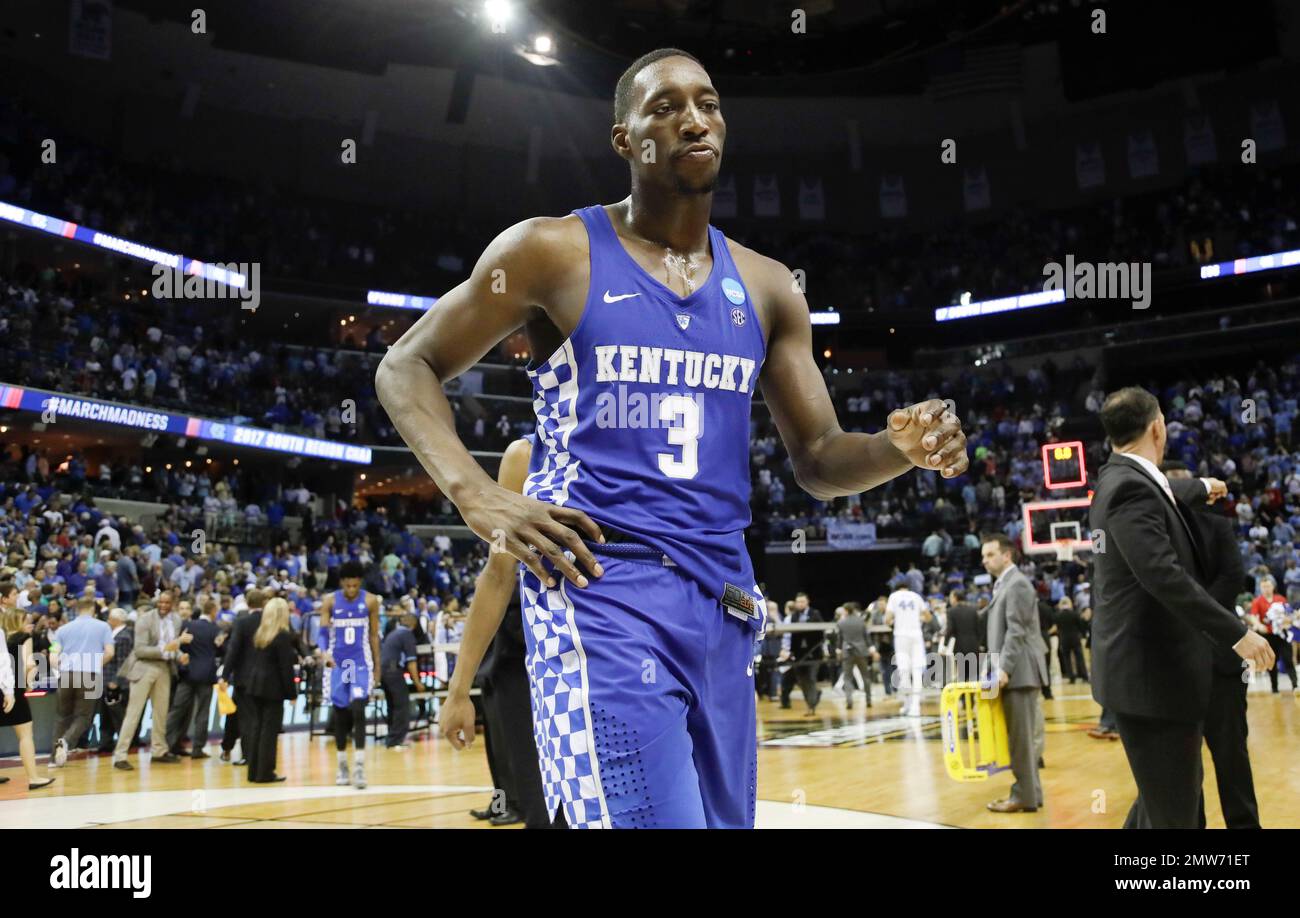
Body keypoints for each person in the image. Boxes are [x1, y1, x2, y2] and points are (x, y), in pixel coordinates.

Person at [374, 48, 968, 828]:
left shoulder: (767, 286)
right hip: (598, 587)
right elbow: (406, 364)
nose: (693, 118)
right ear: (625, 140)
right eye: (664, 107)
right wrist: (477, 494)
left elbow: (819, 461)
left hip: (721, 597)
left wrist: (898, 450)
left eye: (708, 103)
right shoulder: (549, 252)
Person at [1090, 387, 1272, 828]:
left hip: (1146, 676)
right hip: (1152, 679)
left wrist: (1201, 485)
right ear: (1158, 427)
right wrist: (1238, 633)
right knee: (1175, 815)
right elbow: (1162, 576)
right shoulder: (1130, 490)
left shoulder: (1119, 479)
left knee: (1159, 806)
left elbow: (1162, 487)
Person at [441, 436, 553, 828]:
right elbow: (498, 573)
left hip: (622, 658)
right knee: (546, 813)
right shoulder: (525, 456)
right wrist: (457, 691)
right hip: (535, 660)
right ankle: (506, 802)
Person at [1162, 462, 1261, 829]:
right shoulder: (1155, 534)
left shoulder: (1219, 526)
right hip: (1174, 668)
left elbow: (1234, 577)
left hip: (1220, 663)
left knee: (1233, 758)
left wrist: (1195, 614)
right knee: (1184, 769)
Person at [980, 534, 1048, 813]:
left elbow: (1016, 630)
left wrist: (1004, 668)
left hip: (1019, 671)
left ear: (1006, 555)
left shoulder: (1017, 583)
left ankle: (1023, 796)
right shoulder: (1005, 584)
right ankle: (1033, 793)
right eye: (983, 556)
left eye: (990, 555)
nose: (984, 561)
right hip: (1018, 671)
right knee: (1022, 740)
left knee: (1019, 741)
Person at [316, 561, 380, 789]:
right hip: (338, 665)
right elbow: (323, 632)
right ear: (342, 583)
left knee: (359, 709)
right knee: (340, 713)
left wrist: (377, 668)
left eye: (355, 585)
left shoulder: (371, 600)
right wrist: (324, 653)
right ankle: (342, 764)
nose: (352, 590)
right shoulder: (330, 601)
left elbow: (374, 636)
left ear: (360, 583)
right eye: (348, 585)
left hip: (361, 663)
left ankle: (360, 766)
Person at [112, 596, 192, 769]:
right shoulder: (144, 620)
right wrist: (168, 647)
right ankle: (120, 755)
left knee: (161, 713)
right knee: (133, 714)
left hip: (164, 668)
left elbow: (173, 647)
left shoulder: (176, 620)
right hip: (143, 667)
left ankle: (159, 751)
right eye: (160, 602)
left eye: (167, 602)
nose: (163, 605)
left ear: (173, 604)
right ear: (156, 604)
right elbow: (140, 650)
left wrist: (180, 656)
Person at [49, 598, 114, 767]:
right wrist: (94, 665)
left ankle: (53, 759)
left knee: (61, 717)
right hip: (89, 674)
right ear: (93, 609)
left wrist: (61, 667)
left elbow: (52, 655)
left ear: (77, 609)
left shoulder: (62, 629)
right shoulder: (103, 627)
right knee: (84, 716)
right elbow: (109, 653)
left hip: (66, 675)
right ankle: (66, 741)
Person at [0, 598, 56, 789]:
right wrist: (29, 683)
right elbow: (29, 663)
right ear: (18, 622)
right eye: (27, 621)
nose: (30, 624)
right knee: (25, 735)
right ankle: (33, 778)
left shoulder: (3, 638)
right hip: (13, 688)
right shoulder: (25, 639)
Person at [243, 597, 298, 783]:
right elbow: (285, 667)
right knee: (269, 731)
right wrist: (292, 693)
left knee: (257, 728)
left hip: (255, 686)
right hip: (272, 688)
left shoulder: (261, 633)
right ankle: (266, 772)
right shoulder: (282, 635)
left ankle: (254, 772)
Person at [218, 589, 268, 766]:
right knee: (262, 719)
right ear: (263, 603)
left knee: (246, 720)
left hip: (244, 679)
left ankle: (248, 755)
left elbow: (233, 651)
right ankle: (261, 756)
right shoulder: (270, 622)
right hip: (266, 678)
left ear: (247, 603)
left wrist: (225, 675)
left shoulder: (241, 622)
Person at [166, 598, 220, 758]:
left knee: (176, 711)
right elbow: (222, 649)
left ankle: (165, 745)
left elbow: (179, 647)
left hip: (187, 674)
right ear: (213, 612)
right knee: (202, 714)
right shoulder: (215, 629)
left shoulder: (187, 626)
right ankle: (197, 749)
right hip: (206, 676)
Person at [379, 612, 425, 749]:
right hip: (393, 671)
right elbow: (411, 663)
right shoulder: (407, 635)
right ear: (414, 624)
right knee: (402, 705)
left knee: (392, 705)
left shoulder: (393, 633)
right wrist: (417, 683)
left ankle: (391, 738)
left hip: (384, 671)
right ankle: (396, 740)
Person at [96, 608, 136, 754]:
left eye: (110, 618)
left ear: (116, 620)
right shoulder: (115, 634)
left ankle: (125, 744)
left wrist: (116, 681)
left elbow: (123, 661)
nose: (108, 621)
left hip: (116, 683)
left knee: (118, 716)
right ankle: (105, 744)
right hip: (106, 680)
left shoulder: (124, 636)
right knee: (105, 715)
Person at [780, 594, 825, 716]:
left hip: (814, 653)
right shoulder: (793, 616)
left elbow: (821, 633)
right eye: (798, 602)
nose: (800, 604)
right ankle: (815, 695)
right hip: (799, 654)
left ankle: (811, 706)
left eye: (802, 601)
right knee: (801, 680)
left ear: (807, 602)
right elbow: (791, 636)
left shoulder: (815, 614)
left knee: (810, 678)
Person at [885, 585, 927, 716]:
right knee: (917, 670)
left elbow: (887, 619)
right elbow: (928, 616)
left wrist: (893, 622)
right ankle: (915, 706)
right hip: (916, 636)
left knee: (903, 670)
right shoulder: (917, 596)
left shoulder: (893, 597)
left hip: (901, 636)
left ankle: (908, 702)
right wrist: (918, 619)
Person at [835, 602, 873, 709]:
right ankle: (868, 700)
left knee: (847, 678)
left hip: (847, 652)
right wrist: (872, 649)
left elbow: (839, 640)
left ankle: (849, 700)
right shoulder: (861, 622)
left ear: (846, 610)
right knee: (866, 677)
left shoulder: (841, 623)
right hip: (861, 651)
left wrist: (838, 651)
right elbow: (867, 637)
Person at [1054, 597, 1087, 684]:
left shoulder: (1057, 615)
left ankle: (1071, 677)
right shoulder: (1075, 614)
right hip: (1075, 638)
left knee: (1067, 659)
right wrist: (1082, 634)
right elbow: (1080, 626)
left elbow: (1057, 628)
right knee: (1079, 657)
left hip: (1064, 639)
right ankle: (1084, 676)